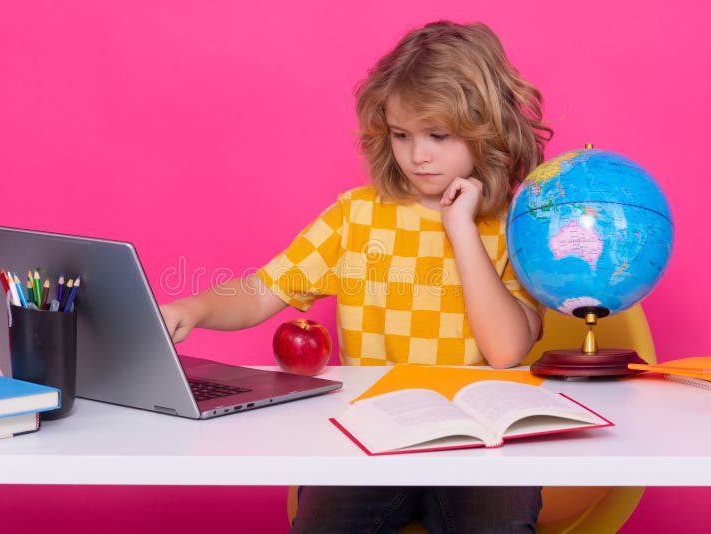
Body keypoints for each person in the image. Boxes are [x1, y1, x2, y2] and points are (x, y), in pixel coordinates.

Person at [160, 20, 552, 533]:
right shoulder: (356, 216)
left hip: (480, 439)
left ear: (487, 129)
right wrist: (193, 309)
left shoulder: (517, 224)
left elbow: (505, 351)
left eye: (438, 135)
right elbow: (263, 290)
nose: (418, 155)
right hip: (374, 428)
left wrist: (461, 228)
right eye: (401, 135)